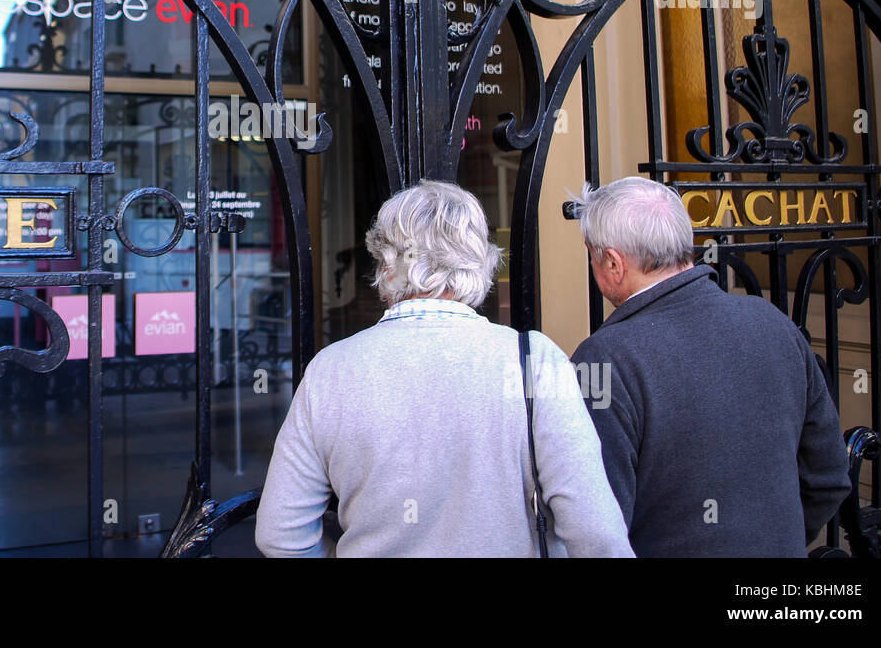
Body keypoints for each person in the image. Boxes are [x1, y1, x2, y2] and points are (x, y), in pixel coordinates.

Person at [254, 180, 633, 557]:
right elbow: (596, 533)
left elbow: (280, 534)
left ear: (386, 264)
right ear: (480, 261)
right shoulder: (534, 360)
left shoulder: (331, 370)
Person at [568, 176, 851, 557]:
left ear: (614, 263)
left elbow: (597, 525)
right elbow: (829, 476)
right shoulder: (772, 323)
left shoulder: (604, 358)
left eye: (592, 256)